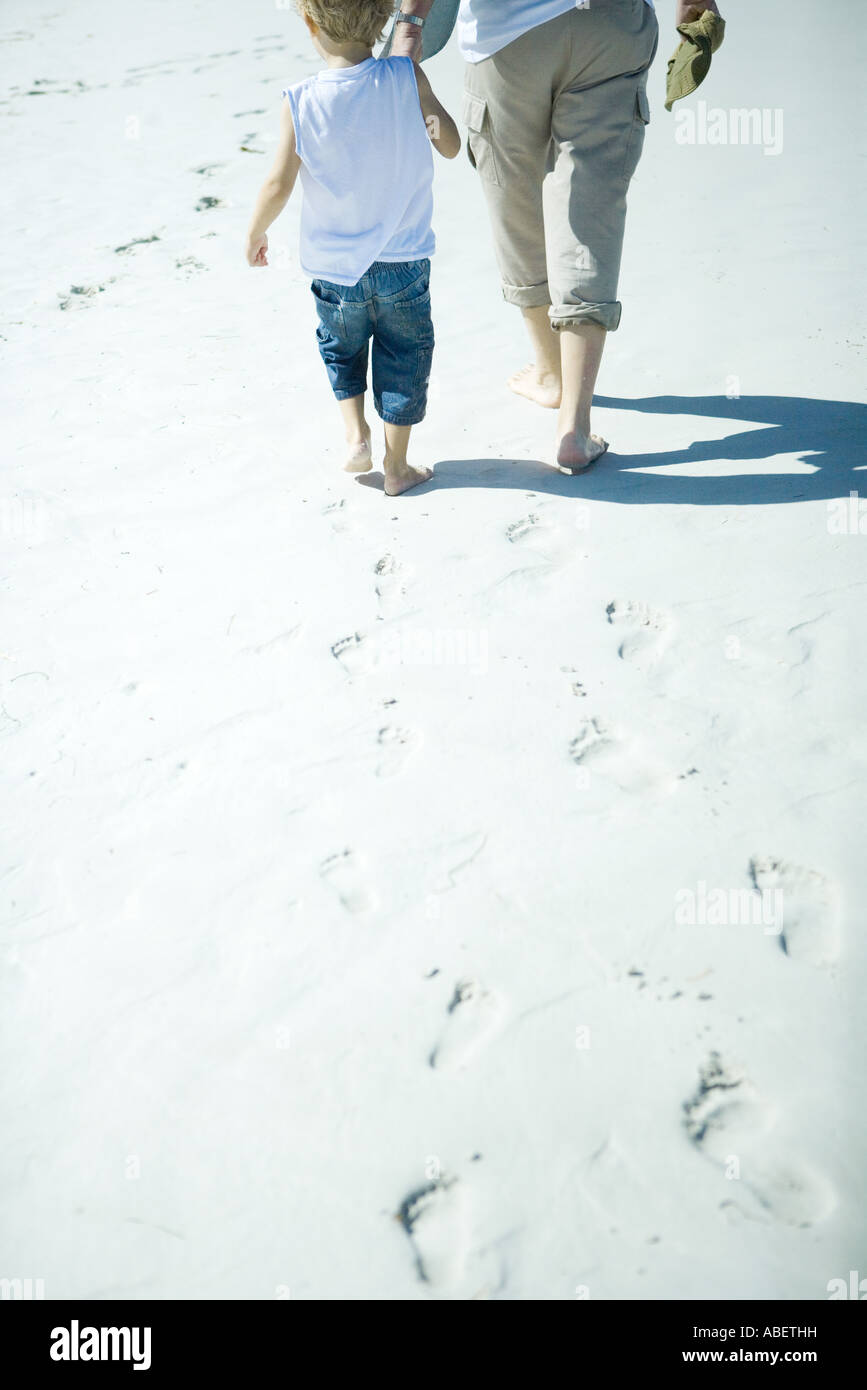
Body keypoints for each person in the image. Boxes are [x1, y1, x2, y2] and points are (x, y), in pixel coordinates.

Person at [392, 1, 721, 473]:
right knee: (591, 210)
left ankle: (551, 373)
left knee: (516, 201)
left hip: (507, 40)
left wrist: (411, 23)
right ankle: (575, 426)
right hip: (610, 27)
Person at [245, 1, 460, 496]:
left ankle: (356, 436)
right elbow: (448, 144)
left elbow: (279, 182)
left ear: (310, 23)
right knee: (403, 354)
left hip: (334, 269)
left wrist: (256, 232)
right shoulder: (405, 76)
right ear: (384, 18)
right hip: (403, 259)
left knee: (342, 349)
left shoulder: (299, 99)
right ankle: (397, 466)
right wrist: (427, 115)